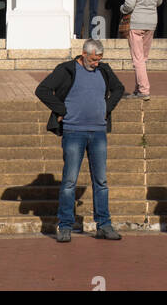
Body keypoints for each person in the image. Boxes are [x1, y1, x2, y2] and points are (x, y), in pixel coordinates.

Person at [35, 37, 125, 243]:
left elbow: (119, 89)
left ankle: (104, 225)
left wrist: (107, 109)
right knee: (69, 181)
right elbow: (42, 90)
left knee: (101, 181)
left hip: (98, 132)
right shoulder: (66, 69)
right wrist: (61, 110)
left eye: (99, 60)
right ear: (84, 54)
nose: (96, 64)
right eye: (93, 60)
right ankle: (65, 225)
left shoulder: (104, 70)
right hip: (73, 131)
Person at [120, 0, 162, 100]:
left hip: (137, 21)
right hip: (151, 22)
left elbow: (129, 4)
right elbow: (159, 1)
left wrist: (122, 9)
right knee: (143, 58)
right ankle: (139, 88)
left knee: (137, 58)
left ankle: (144, 89)